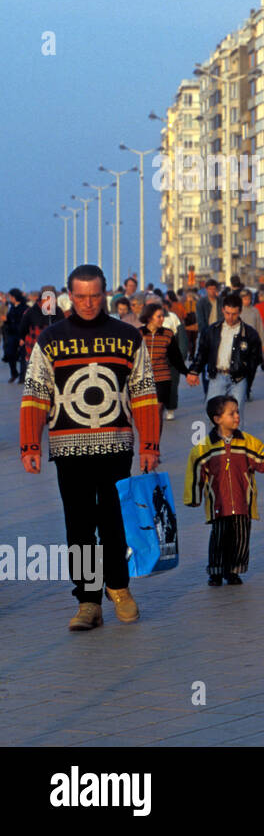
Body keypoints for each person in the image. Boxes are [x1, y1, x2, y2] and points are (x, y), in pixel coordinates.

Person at [20, 264, 160, 631]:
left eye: (94, 295)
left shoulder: (129, 337)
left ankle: (119, 588)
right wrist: (29, 444)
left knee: (114, 521)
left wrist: (149, 444)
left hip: (117, 447)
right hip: (68, 451)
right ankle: (87, 601)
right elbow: (35, 393)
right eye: (80, 296)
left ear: (105, 294)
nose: (87, 303)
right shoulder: (50, 339)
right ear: (69, 295)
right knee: (79, 527)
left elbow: (144, 392)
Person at [184, 395, 264, 586]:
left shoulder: (247, 443)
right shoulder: (204, 448)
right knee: (218, 538)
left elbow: (261, 460)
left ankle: (234, 571)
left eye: (237, 412)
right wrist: (193, 497)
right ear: (217, 419)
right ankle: (215, 572)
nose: (237, 416)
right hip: (219, 503)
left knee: (241, 537)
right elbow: (196, 469)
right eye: (231, 413)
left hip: (242, 502)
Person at [186, 293, 262, 414]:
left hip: (238, 379)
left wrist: (247, 381)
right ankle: (214, 434)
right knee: (212, 415)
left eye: (234, 314)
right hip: (217, 377)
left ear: (240, 312)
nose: (230, 317)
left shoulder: (249, 333)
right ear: (222, 310)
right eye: (227, 313)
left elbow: (255, 359)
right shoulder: (212, 330)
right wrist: (194, 371)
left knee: (236, 417)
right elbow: (202, 353)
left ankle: (235, 434)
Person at [139, 303, 188, 422]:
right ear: (150, 318)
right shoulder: (139, 333)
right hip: (143, 378)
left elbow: (175, 357)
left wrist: (187, 373)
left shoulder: (168, 334)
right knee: (146, 411)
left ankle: (155, 436)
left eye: (163, 316)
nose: (162, 319)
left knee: (158, 408)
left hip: (162, 377)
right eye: (159, 316)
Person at [238, 290, 264, 401]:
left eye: (249, 298)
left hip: (254, 344)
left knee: (252, 368)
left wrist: (263, 343)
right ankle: (242, 389)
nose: (247, 301)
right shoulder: (238, 311)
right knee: (242, 368)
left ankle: (248, 387)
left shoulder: (255, 311)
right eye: (245, 298)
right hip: (241, 345)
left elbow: (260, 327)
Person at [4, 287, 29, 383]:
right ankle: (14, 373)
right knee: (10, 354)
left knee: (23, 357)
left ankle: (22, 378)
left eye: (10, 296)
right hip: (11, 334)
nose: (9, 298)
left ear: (14, 297)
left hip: (22, 335)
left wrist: (23, 337)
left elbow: (25, 323)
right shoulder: (11, 307)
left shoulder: (25, 308)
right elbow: (9, 320)